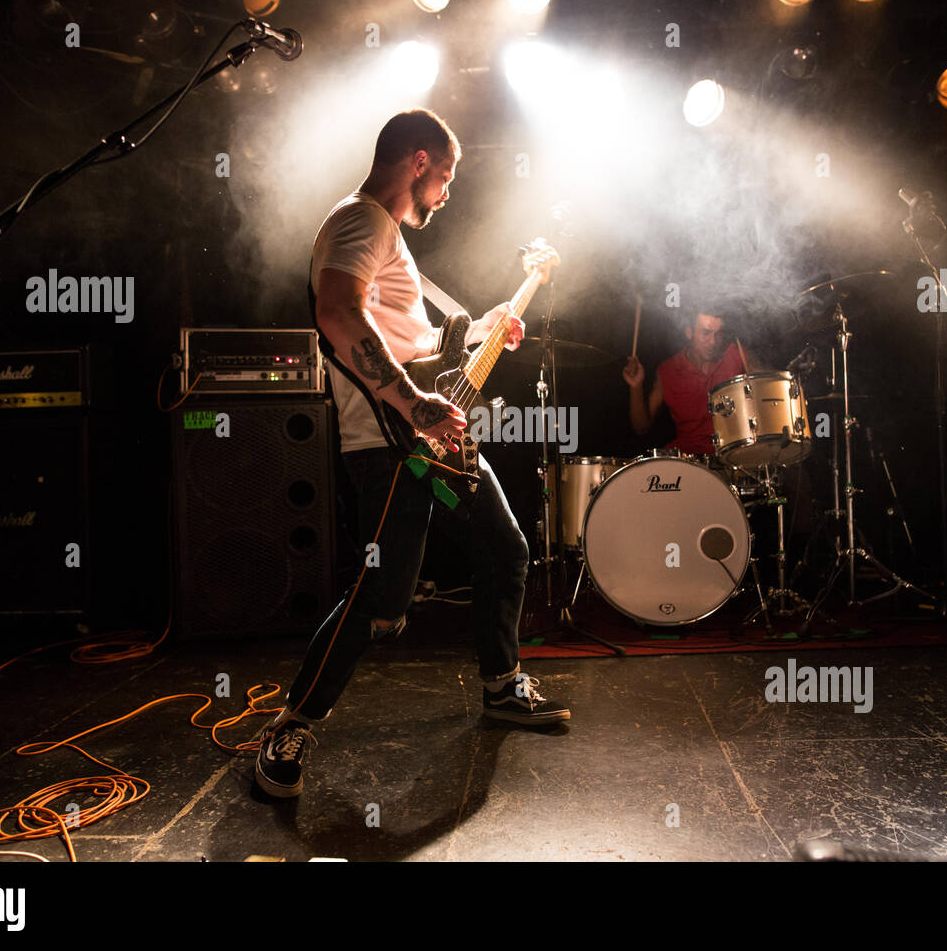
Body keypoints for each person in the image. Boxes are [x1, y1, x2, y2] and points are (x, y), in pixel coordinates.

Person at [255, 108, 570, 800]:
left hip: (431, 439)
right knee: (381, 602)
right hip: (394, 446)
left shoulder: (388, 238)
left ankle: (500, 686)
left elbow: (419, 346)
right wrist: (411, 403)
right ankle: (289, 726)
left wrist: (484, 327)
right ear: (418, 161)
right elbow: (338, 314)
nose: (448, 194)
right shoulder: (360, 220)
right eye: (446, 177)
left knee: (506, 548)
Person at [623, 310, 755, 454]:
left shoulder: (738, 354)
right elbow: (641, 428)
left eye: (718, 334)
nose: (713, 341)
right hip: (689, 458)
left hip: (735, 451)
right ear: (689, 333)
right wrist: (636, 387)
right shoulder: (668, 370)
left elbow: (769, 385)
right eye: (706, 333)